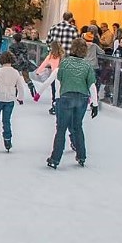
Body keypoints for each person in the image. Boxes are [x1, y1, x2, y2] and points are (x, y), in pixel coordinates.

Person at [49, 39, 98, 169]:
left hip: (66, 97)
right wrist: (95, 104)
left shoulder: (65, 63)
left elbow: (58, 80)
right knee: (77, 127)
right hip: (82, 98)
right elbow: (92, 85)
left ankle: (55, 158)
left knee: (61, 129)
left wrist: (57, 98)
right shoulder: (87, 66)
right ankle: (81, 156)